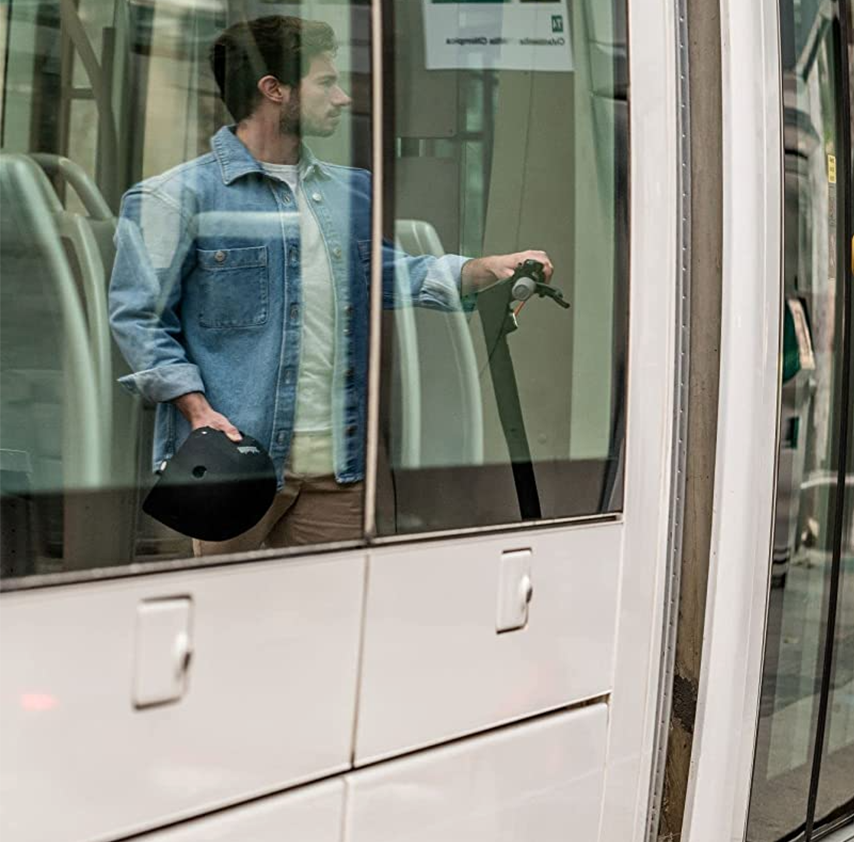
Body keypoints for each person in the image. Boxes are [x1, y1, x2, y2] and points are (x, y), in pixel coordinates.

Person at [108, 16, 549, 554]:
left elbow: (388, 274)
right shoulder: (173, 199)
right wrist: (197, 411)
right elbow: (141, 319)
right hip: (236, 461)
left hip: (339, 471)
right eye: (325, 82)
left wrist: (479, 269)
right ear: (274, 90)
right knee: (231, 623)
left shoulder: (351, 191)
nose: (342, 97)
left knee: (329, 628)